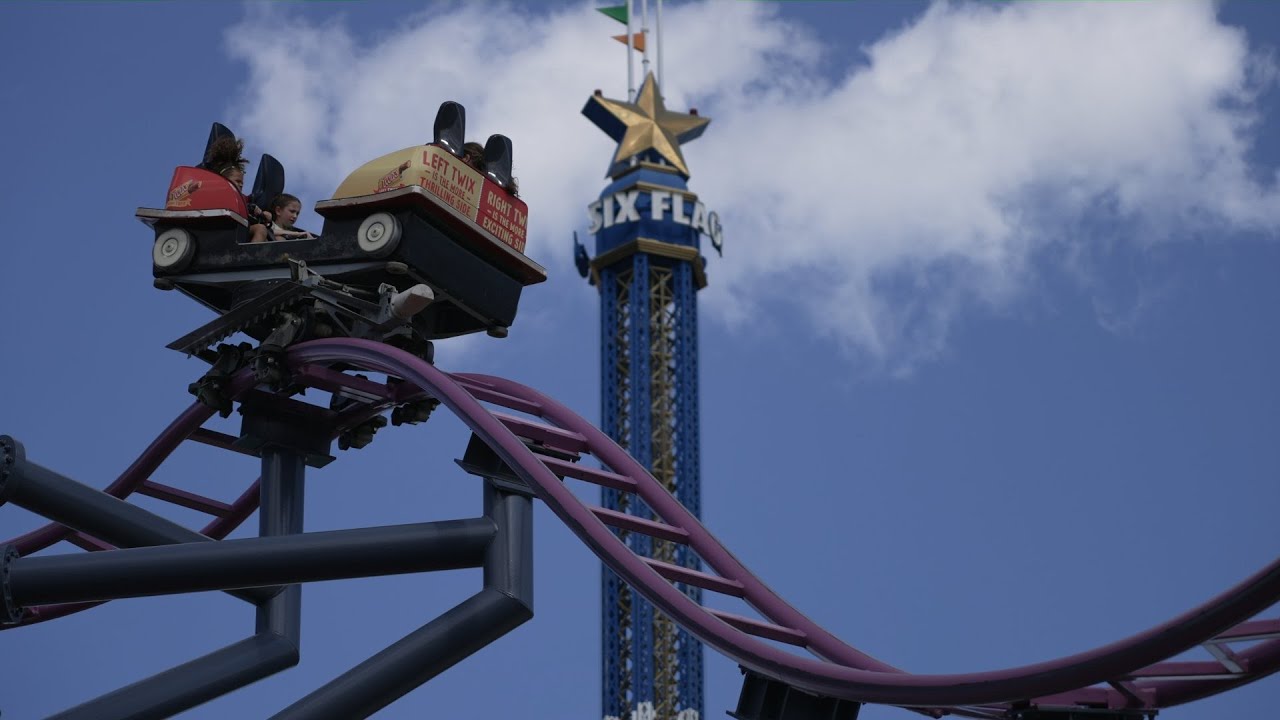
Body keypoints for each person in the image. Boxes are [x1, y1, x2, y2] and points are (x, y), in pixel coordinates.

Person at [205, 136, 271, 243]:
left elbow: (249, 205)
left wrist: (263, 213)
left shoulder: (243, 198)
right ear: (224, 180)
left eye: (242, 183)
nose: (240, 185)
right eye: (237, 181)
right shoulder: (217, 193)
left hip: (236, 228)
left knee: (262, 230)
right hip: (219, 228)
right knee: (260, 229)